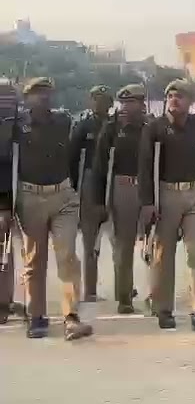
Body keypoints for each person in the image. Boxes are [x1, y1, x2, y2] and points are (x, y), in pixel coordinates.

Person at [7, 77, 94, 340]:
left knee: (67, 255)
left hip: (63, 195)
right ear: (26, 98)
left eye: (46, 92)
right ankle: (36, 316)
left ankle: (71, 316)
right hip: (30, 196)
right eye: (36, 93)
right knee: (35, 259)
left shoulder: (63, 121)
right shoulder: (15, 126)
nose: (43, 97)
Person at [138, 79, 195, 332]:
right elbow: (145, 166)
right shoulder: (155, 127)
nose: (175, 99)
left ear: (191, 101)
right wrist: (148, 202)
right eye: (171, 95)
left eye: (181, 96)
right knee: (163, 255)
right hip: (166, 193)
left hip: (194, 191)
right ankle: (163, 308)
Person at [88, 84, 148, 314]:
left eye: (130, 102)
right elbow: (99, 167)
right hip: (122, 188)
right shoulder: (111, 129)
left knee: (156, 244)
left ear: (141, 104)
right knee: (123, 246)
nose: (125, 107)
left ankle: (157, 293)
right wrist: (98, 202)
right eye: (123, 102)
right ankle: (124, 297)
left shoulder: (151, 127)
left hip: (148, 188)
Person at [69, 84, 113, 302]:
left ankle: (124, 287)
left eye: (104, 99)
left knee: (118, 239)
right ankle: (90, 290)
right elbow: (72, 157)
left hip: (112, 180)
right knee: (90, 239)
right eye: (96, 98)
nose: (99, 102)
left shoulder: (115, 125)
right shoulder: (83, 125)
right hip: (89, 180)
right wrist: (75, 188)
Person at [0, 77, 25, 325]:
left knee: (7, 253)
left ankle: (5, 301)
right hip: (6, 196)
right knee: (4, 253)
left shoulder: (18, 125)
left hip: (15, 194)